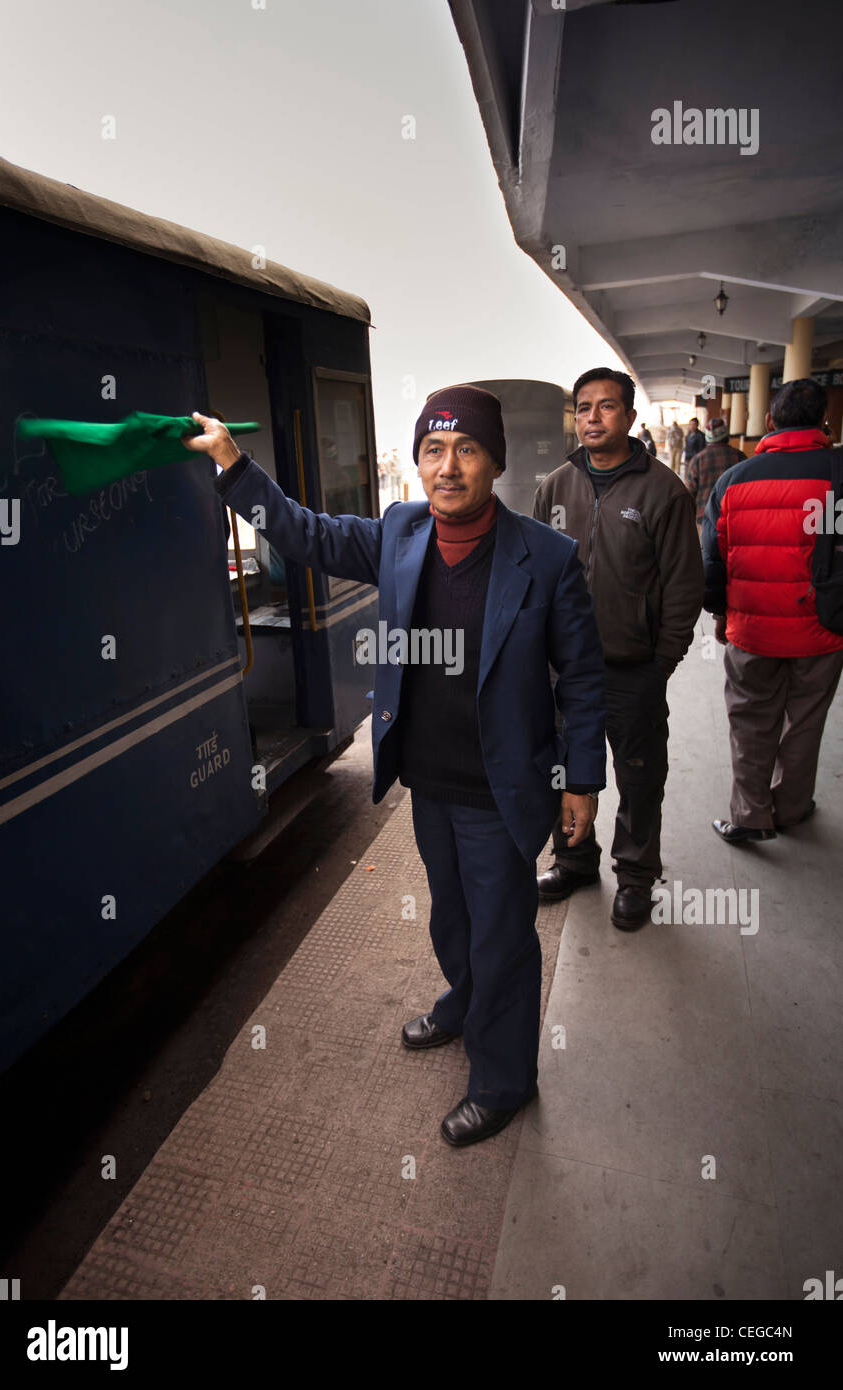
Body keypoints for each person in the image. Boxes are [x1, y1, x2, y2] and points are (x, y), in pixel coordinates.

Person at [184, 385, 607, 1147]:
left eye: (467, 450)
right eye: (434, 451)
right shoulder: (400, 533)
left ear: (494, 462)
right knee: (452, 916)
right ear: (417, 464)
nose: (449, 468)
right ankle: (462, 1001)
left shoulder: (545, 558)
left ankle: (505, 1079)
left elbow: (581, 675)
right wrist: (232, 466)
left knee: (503, 935)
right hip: (429, 782)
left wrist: (582, 778)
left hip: (502, 789)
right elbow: (306, 533)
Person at [533, 368, 704, 929]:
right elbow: (531, 577)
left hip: (632, 669)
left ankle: (634, 876)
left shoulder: (663, 491)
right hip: (564, 670)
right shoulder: (554, 487)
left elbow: (684, 586)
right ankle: (575, 859)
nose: (592, 417)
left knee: (637, 775)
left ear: (630, 417)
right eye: (584, 408)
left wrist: (662, 664)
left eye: (607, 407)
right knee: (565, 770)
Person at [702, 377, 843, 842]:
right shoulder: (838, 475)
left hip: (752, 629)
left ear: (768, 421)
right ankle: (792, 808)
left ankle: (750, 816)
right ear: (824, 421)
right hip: (822, 630)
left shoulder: (733, 481)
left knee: (750, 722)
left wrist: (722, 613)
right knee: (805, 722)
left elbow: (713, 561)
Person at [684, 418, 746, 529]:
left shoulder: (697, 460)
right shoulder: (739, 456)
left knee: (705, 547)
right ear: (726, 435)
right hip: (733, 517)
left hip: (704, 518)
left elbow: (689, 493)